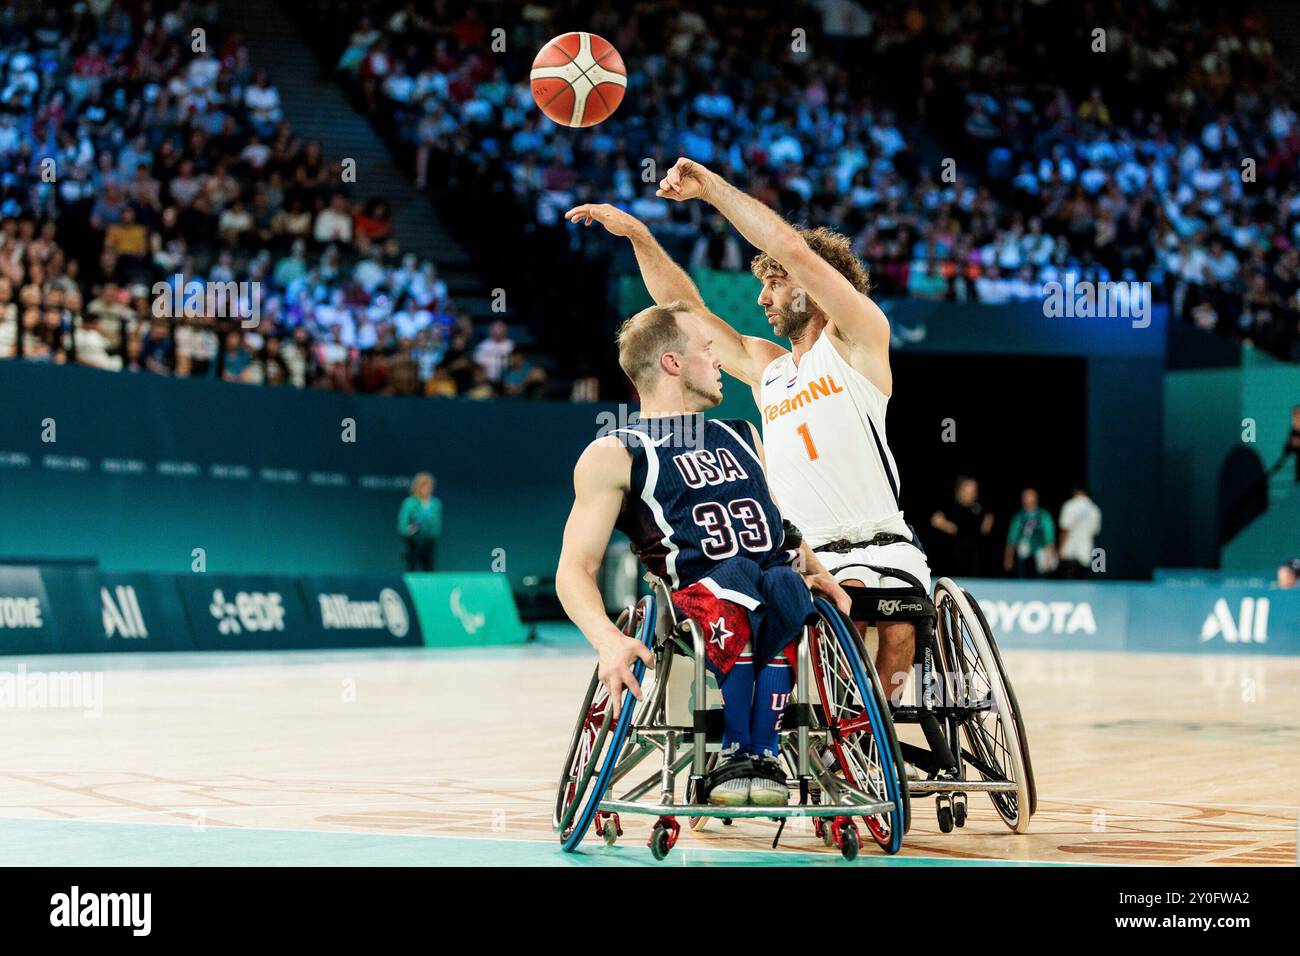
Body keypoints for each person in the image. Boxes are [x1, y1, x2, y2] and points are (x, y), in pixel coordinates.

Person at [567, 161, 930, 726]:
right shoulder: (769, 369)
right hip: (807, 551)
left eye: (775, 281)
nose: (762, 296)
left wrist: (711, 191)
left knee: (899, 629)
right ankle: (836, 743)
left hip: (882, 538)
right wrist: (641, 237)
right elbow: (688, 316)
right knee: (844, 611)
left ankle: (872, 744)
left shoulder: (860, 341)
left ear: (809, 286)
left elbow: (795, 246)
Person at [554, 301, 850, 808]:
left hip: (769, 582)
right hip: (696, 602)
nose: (718, 361)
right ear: (672, 362)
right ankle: (735, 750)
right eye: (707, 349)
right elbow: (574, 570)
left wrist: (821, 574)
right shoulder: (616, 452)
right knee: (736, 575)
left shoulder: (742, 434)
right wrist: (607, 640)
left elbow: (782, 529)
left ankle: (764, 751)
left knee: (781, 581)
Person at [930, 476, 994, 577]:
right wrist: (949, 527)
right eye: (968, 491)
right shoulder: (950, 506)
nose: (971, 494)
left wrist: (987, 524)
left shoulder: (978, 507)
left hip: (973, 557)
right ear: (961, 490)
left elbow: (988, 518)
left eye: (974, 491)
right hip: (952, 556)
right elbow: (935, 520)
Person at [1003, 488, 1057, 578]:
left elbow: (1049, 537)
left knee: (1040, 581)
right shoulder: (1019, 516)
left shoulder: (1043, 515)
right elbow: (1012, 539)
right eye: (1026, 498)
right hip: (1023, 556)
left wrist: (1049, 557)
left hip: (1040, 553)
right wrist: (1008, 558)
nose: (1028, 501)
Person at [398, 472, 442, 571]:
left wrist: (433, 535)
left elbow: (436, 526)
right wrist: (409, 531)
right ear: (417, 487)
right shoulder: (409, 503)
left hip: (429, 543)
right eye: (424, 486)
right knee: (411, 568)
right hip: (413, 542)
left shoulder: (435, 503)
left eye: (430, 486)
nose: (427, 489)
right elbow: (403, 526)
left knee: (429, 569)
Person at [1057, 483, 1101, 578]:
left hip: (1069, 551)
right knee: (1084, 584)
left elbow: (1065, 529)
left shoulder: (1069, 506)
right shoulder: (1094, 509)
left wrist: (1061, 549)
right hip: (1085, 552)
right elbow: (1094, 532)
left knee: (1069, 585)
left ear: (1075, 491)